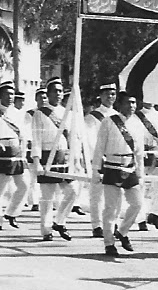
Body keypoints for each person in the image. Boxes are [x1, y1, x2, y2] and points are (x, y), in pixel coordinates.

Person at [92, 90, 144, 256]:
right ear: (119, 104)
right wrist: (96, 170)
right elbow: (99, 147)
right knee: (111, 208)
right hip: (112, 166)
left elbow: (139, 151)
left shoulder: (137, 123)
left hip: (130, 167)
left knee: (137, 203)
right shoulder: (108, 122)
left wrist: (141, 173)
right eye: (128, 103)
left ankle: (122, 231)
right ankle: (109, 243)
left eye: (134, 103)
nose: (132, 106)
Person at [32, 78, 77, 241]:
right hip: (47, 155)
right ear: (48, 94)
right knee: (47, 197)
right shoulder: (40, 113)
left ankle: (59, 221)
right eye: (54, 91)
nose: (58, 94)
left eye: (60, 91)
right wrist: (36, 161)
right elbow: (36, 139)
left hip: (64, 157)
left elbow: (73, 139)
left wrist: (76, 160)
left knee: (73, 191)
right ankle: (46, 230)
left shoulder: (69, 113)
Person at [0, 81, 30, 230]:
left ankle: (11, 213)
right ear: (0, 96)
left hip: (16, 152)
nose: (10, 97)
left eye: (12, 94)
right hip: (0, 151)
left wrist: (24, 150)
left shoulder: (18, 113)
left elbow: (23, 134)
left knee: (24, 185)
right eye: (7, 94)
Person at [85, 83, 119, 238]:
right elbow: (90, 140)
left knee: (115, 194)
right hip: (99, 159)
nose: (110, 97)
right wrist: (98, 158)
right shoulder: (92, 117)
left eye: (113, 94)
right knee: (96, 194)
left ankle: (113, 222)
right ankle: (97, 225)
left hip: (115, 159)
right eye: (107, 94)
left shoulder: (118, 115)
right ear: (101, 96)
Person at [135, 97, 158, 231]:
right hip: (142, 152)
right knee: (140, 186)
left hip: (156, 153)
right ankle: (140, 218)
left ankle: (155, 213)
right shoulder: (136, 116)